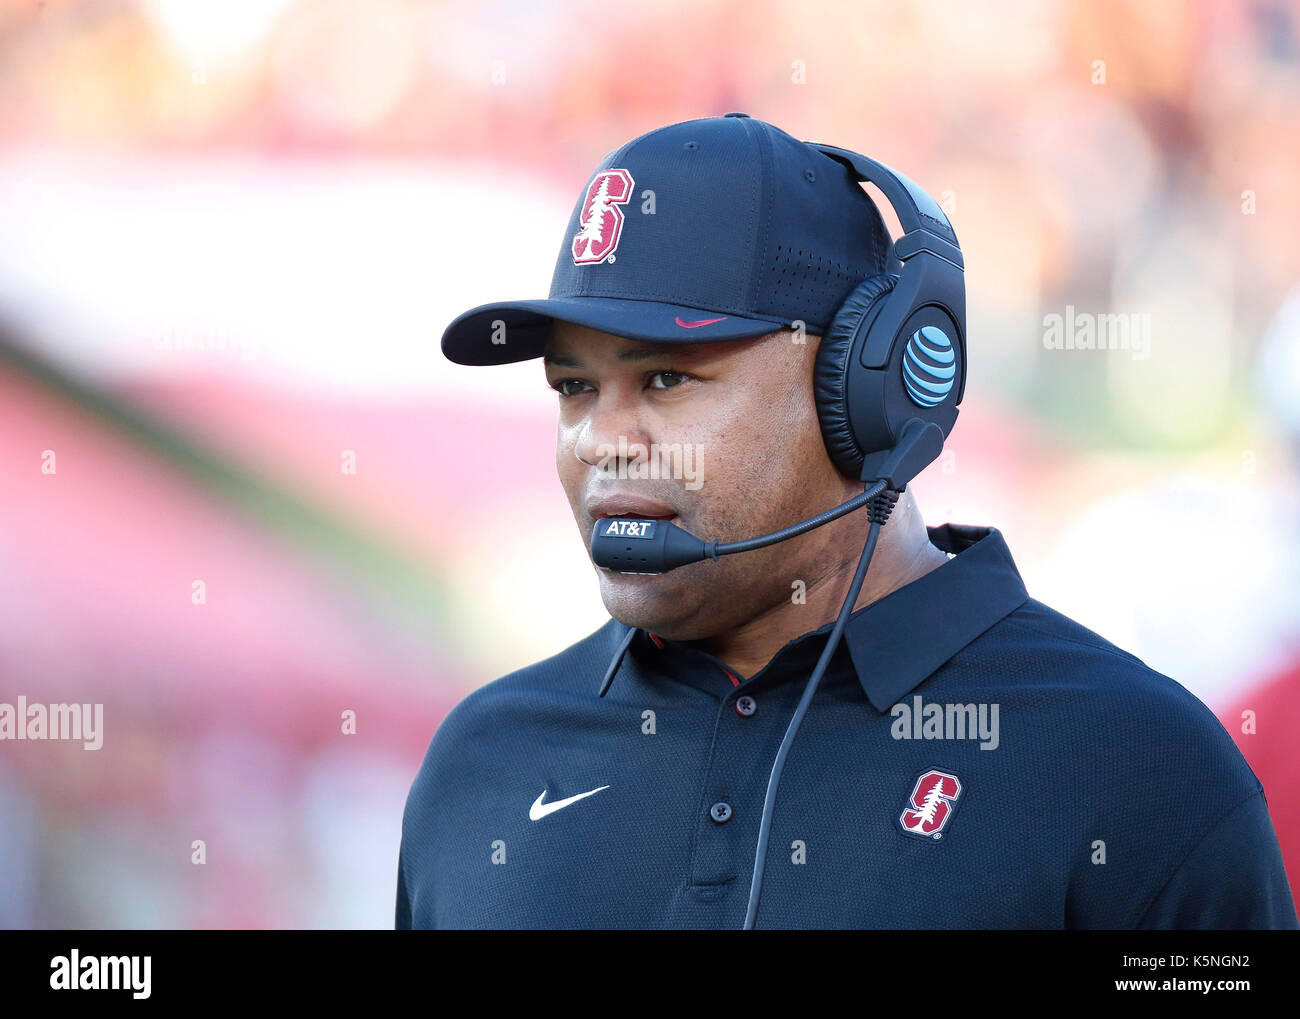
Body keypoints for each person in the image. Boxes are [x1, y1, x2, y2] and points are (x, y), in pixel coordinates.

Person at [396, 113, 1297, 929]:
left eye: (667, 378)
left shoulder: (1139, 770)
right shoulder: (484, 761)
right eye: (574, 388)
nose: (600, 439)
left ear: (869, 394)